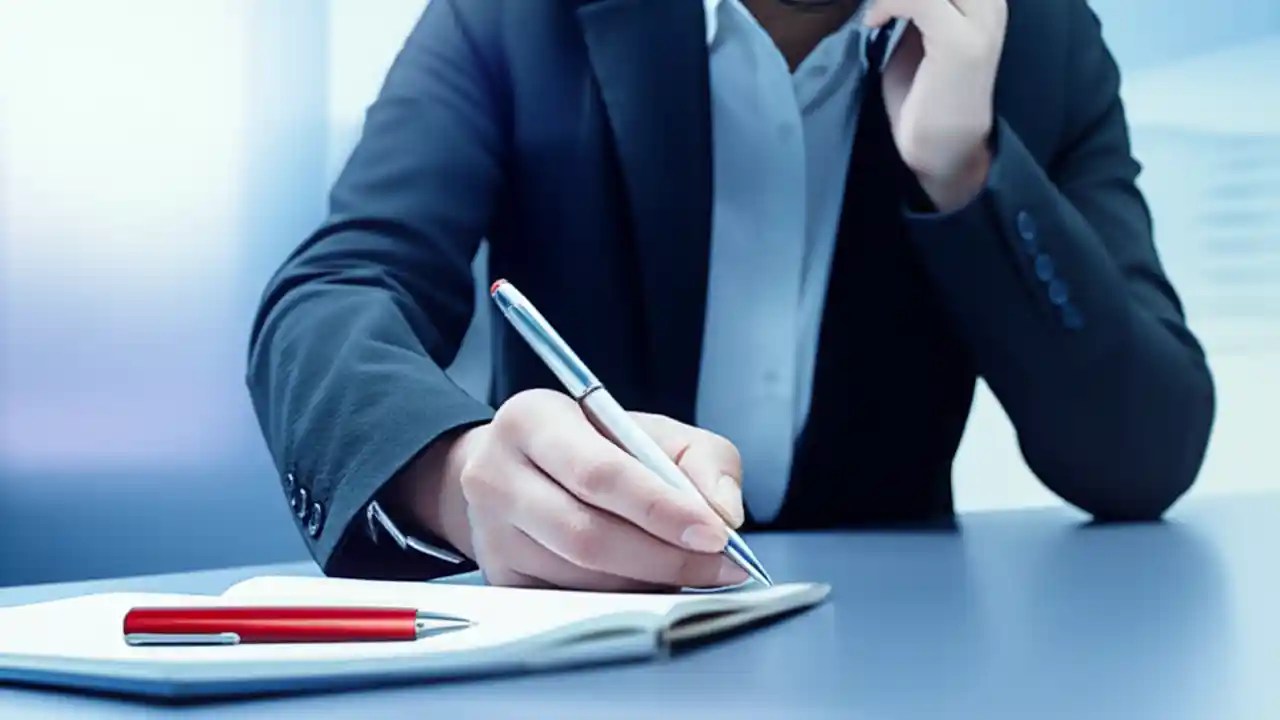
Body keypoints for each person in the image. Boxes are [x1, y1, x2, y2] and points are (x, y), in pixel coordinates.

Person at [246, 0, 1216, 590]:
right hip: (587, 657)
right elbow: (332, 297)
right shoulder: (516, 13)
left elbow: (1140, 451)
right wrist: (453, 480)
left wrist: (967, 172)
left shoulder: (1031, 38)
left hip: (897, 667)